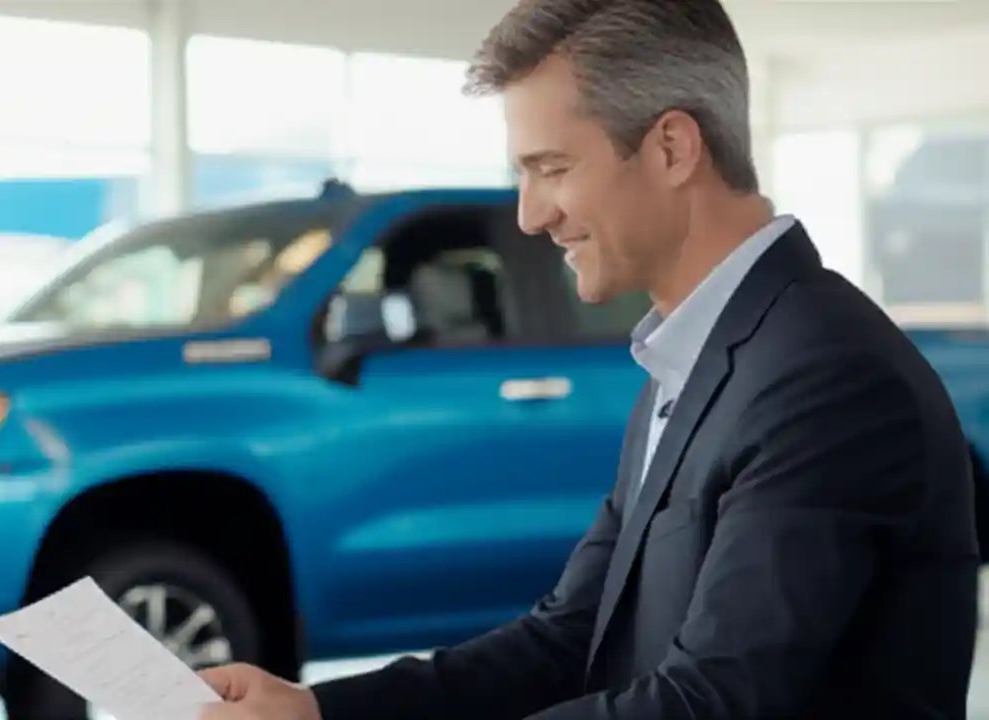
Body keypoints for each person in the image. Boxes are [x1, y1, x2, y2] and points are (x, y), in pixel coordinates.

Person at [197, 0, 981, 717]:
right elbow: (571, 634)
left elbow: (714, 702)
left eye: (552, 168)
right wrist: (319, 713)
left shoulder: (822, 377)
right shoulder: (694, 360)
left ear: (672, 147)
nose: (531, 216)